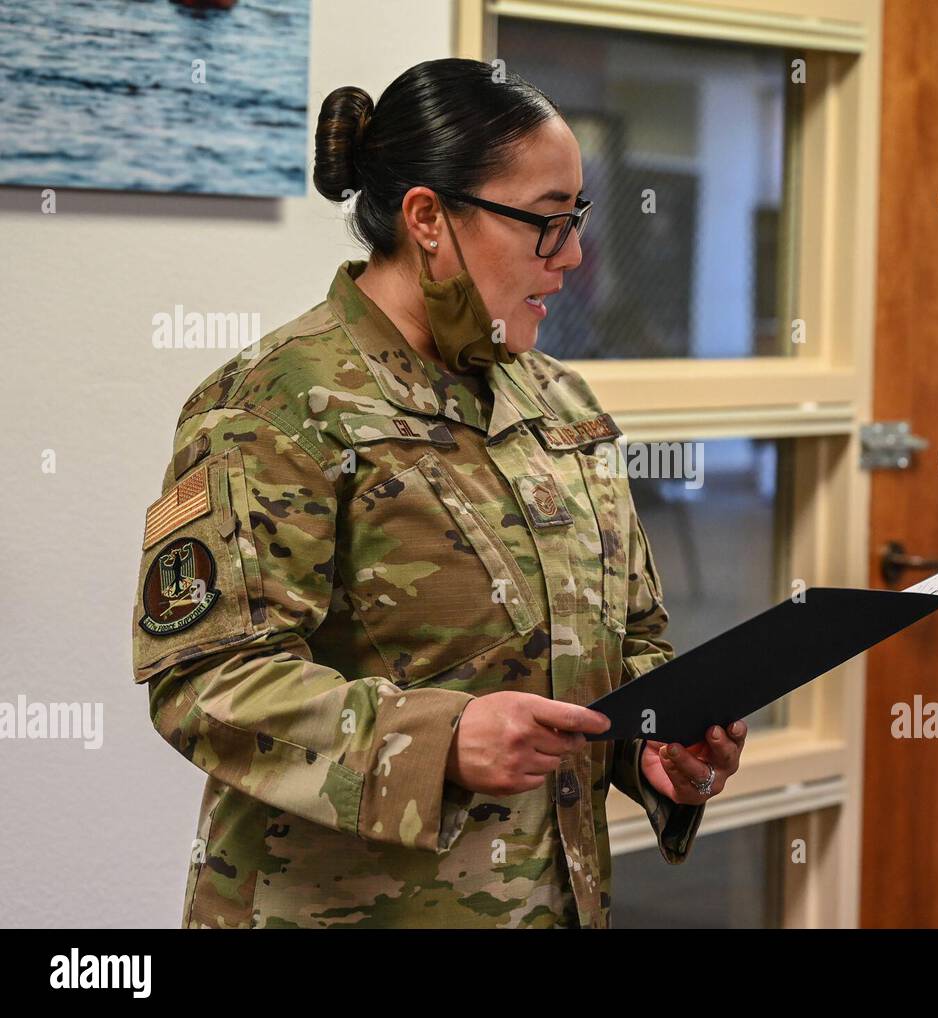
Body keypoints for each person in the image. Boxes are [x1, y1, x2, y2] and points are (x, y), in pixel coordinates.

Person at [129, 57, 746, 929]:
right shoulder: (273, 406)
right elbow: (200, 681)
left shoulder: (558, 400)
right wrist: (443, 740)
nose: (572, 256)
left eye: (578, 219)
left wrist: (654, 738)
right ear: (427, 217)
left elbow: (630, 634)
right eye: (545, 222)